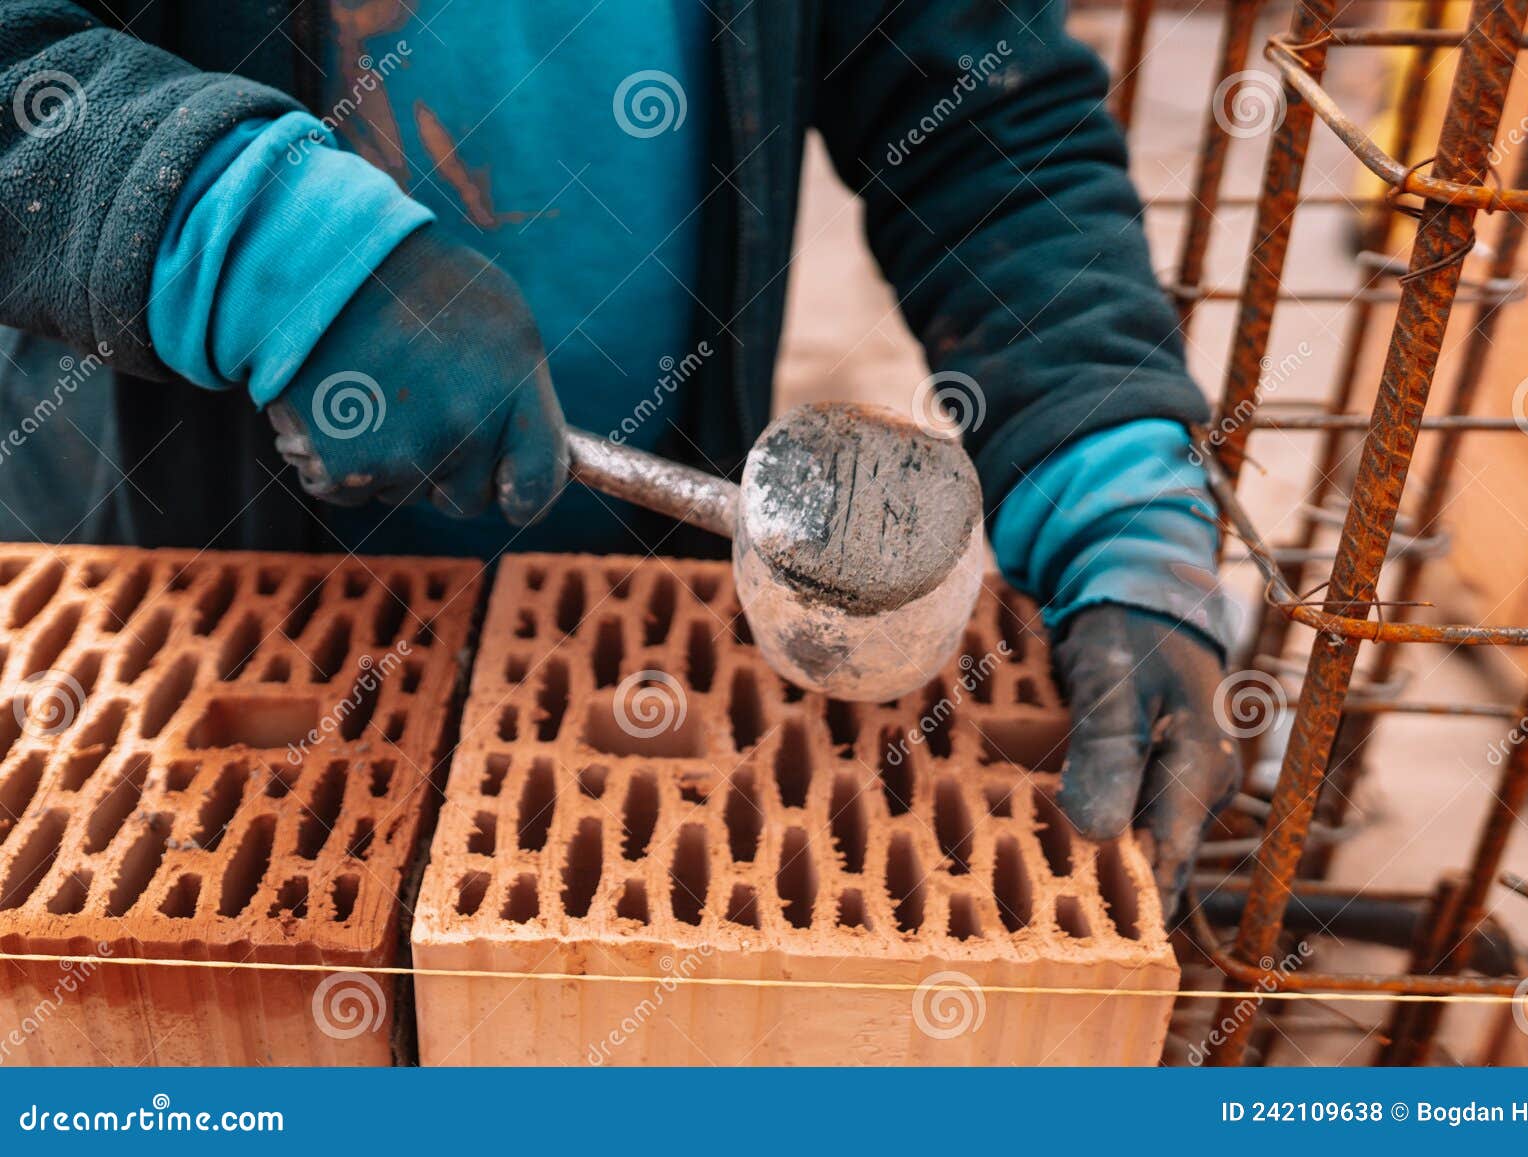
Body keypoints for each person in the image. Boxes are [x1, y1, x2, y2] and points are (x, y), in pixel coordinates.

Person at [0, 0, 1238, 919]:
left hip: (627, 603)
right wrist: (248, 234)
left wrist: (1113, 489)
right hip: (190, 572)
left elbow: (980, 119)